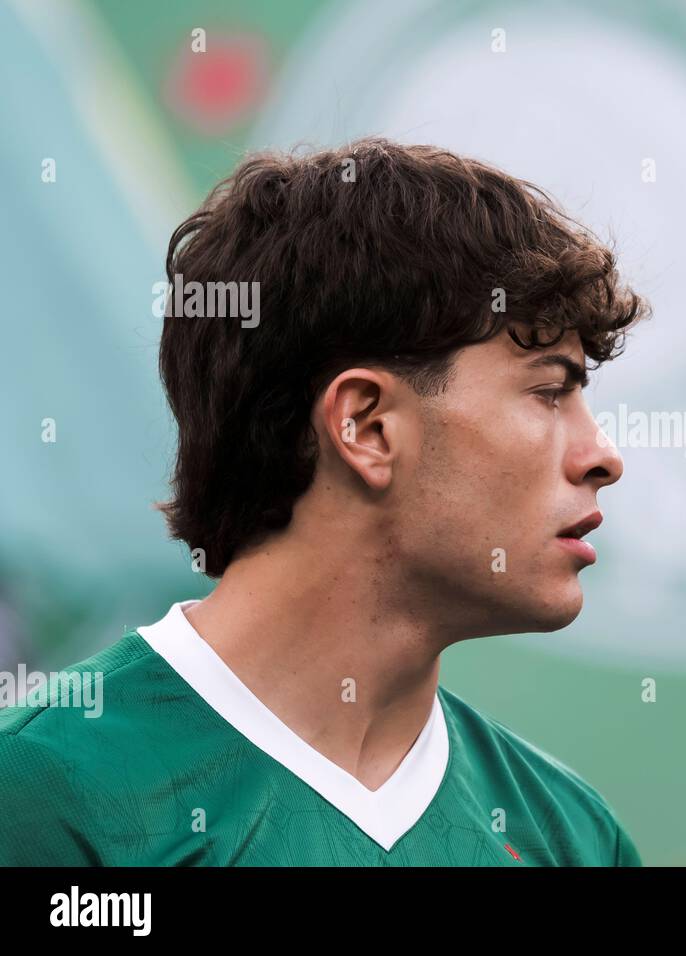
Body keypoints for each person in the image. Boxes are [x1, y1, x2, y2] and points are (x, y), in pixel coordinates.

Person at [0, 138, 650, 865]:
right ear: (365, 426)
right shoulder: (40, 796)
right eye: (548, 390)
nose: (603, 456)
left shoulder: (573, 837)